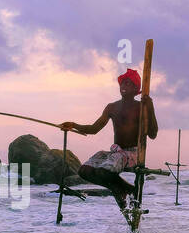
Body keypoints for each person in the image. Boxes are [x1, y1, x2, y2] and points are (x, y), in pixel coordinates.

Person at [59, 68, 158, 209]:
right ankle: (125, 189)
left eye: (128, 83)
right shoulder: (112, 107)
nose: (123, 86)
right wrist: (73, 125)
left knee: (103, 171)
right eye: (122, 83)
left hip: (133, 153)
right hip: (116, 152)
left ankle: (124, 189)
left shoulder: (141, 107)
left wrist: (150, 107)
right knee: (84, 170)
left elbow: (153, 134)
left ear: (136, 88)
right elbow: (94, 129)